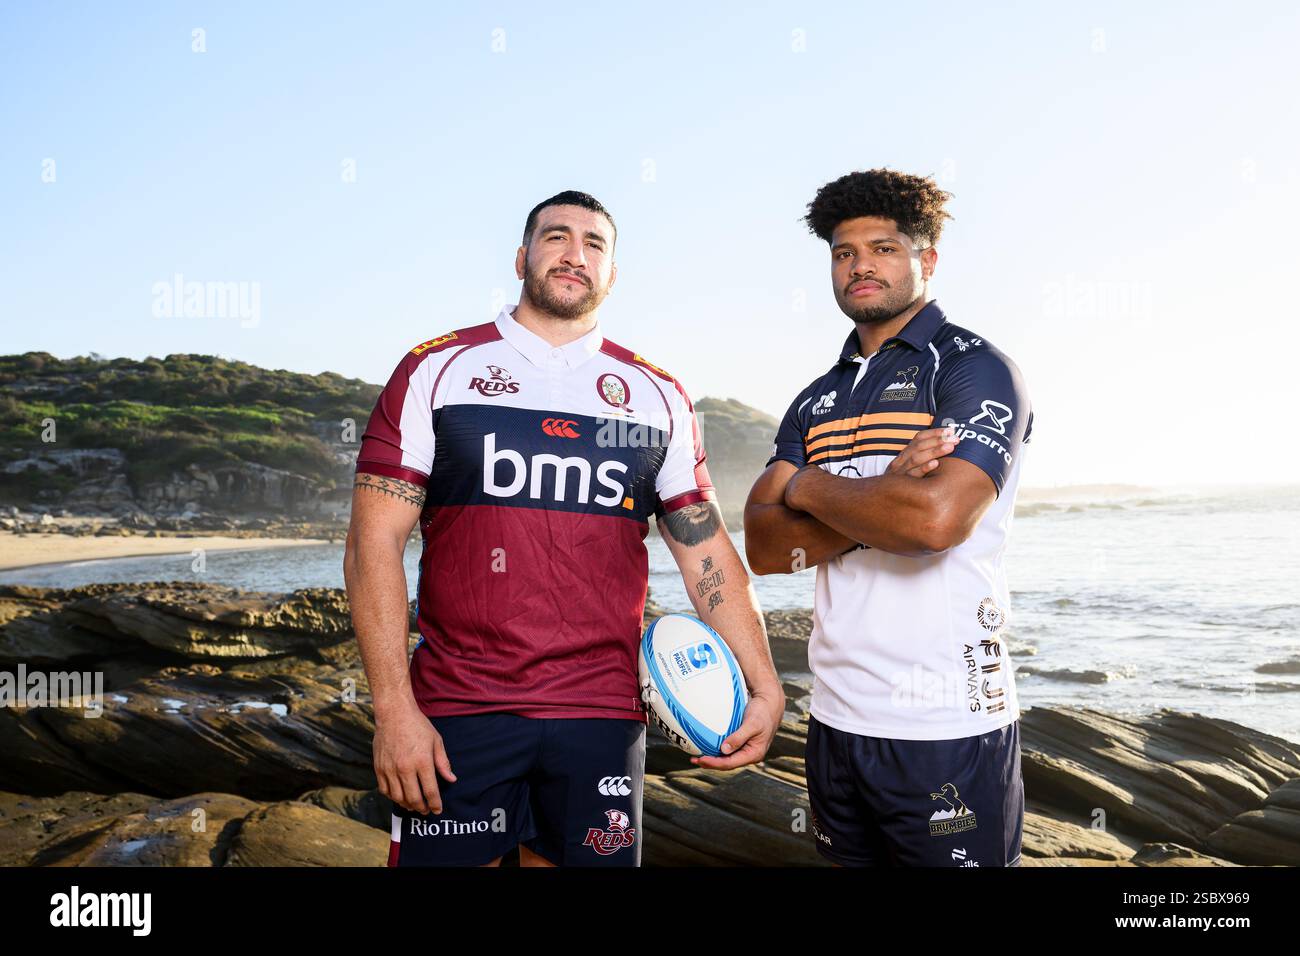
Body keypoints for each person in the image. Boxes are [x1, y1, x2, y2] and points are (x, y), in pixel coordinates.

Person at [345, 190, 784, 867]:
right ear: (522, 257)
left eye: (595, 242)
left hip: (602, 716)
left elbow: (704, 551)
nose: (575, 252)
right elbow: (373, 543)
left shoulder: (657, 393)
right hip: (458, 709)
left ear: (612, 274)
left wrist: (764, 685)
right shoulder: (437, 370)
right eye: (556, 236)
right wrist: (394, 711)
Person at [744, 169, 1033, 867]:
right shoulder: (817, 398)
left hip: (950, 722)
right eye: (845, 253)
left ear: (926, 261)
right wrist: (885, 490)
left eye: (883, 248)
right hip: (836, 720)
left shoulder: (974, 370)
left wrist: (806, 486)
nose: (861, 266)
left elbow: (934, 523)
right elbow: (764, 545)